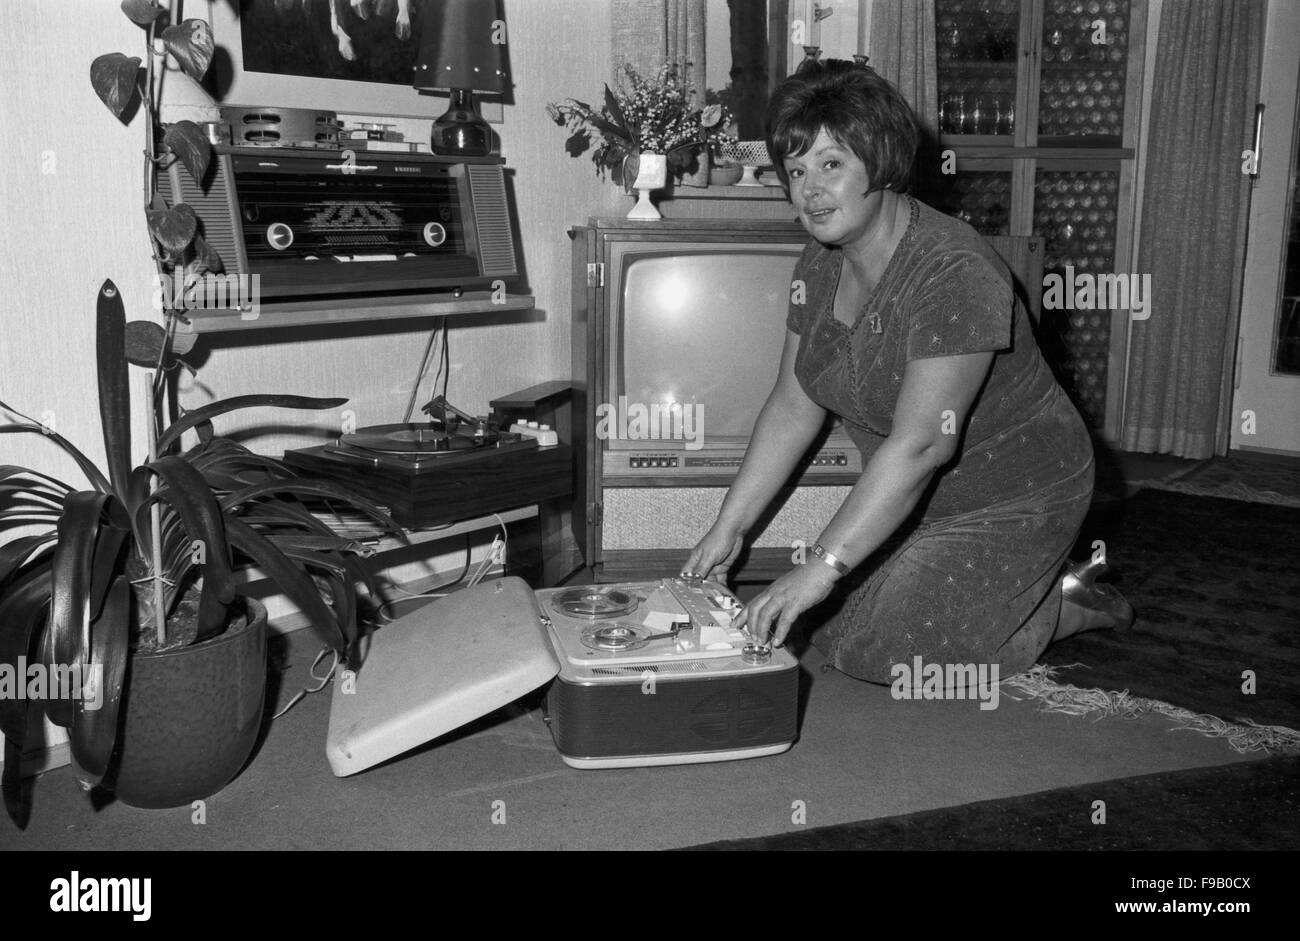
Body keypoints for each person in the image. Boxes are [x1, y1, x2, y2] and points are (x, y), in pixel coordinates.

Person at [682, 59, 1131, 684]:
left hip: (1016, 489)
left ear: (882, 160)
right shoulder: (818, 262)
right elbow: (792, 401)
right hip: (918, 496)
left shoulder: (955, 272)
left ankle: (1065, 603)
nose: (810, 190)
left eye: (832, 164)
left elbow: (922, 444)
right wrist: (727, 528)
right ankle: (1000, 595)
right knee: (829, 629)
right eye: (796, 170)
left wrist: (819, 566)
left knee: (895, 656)